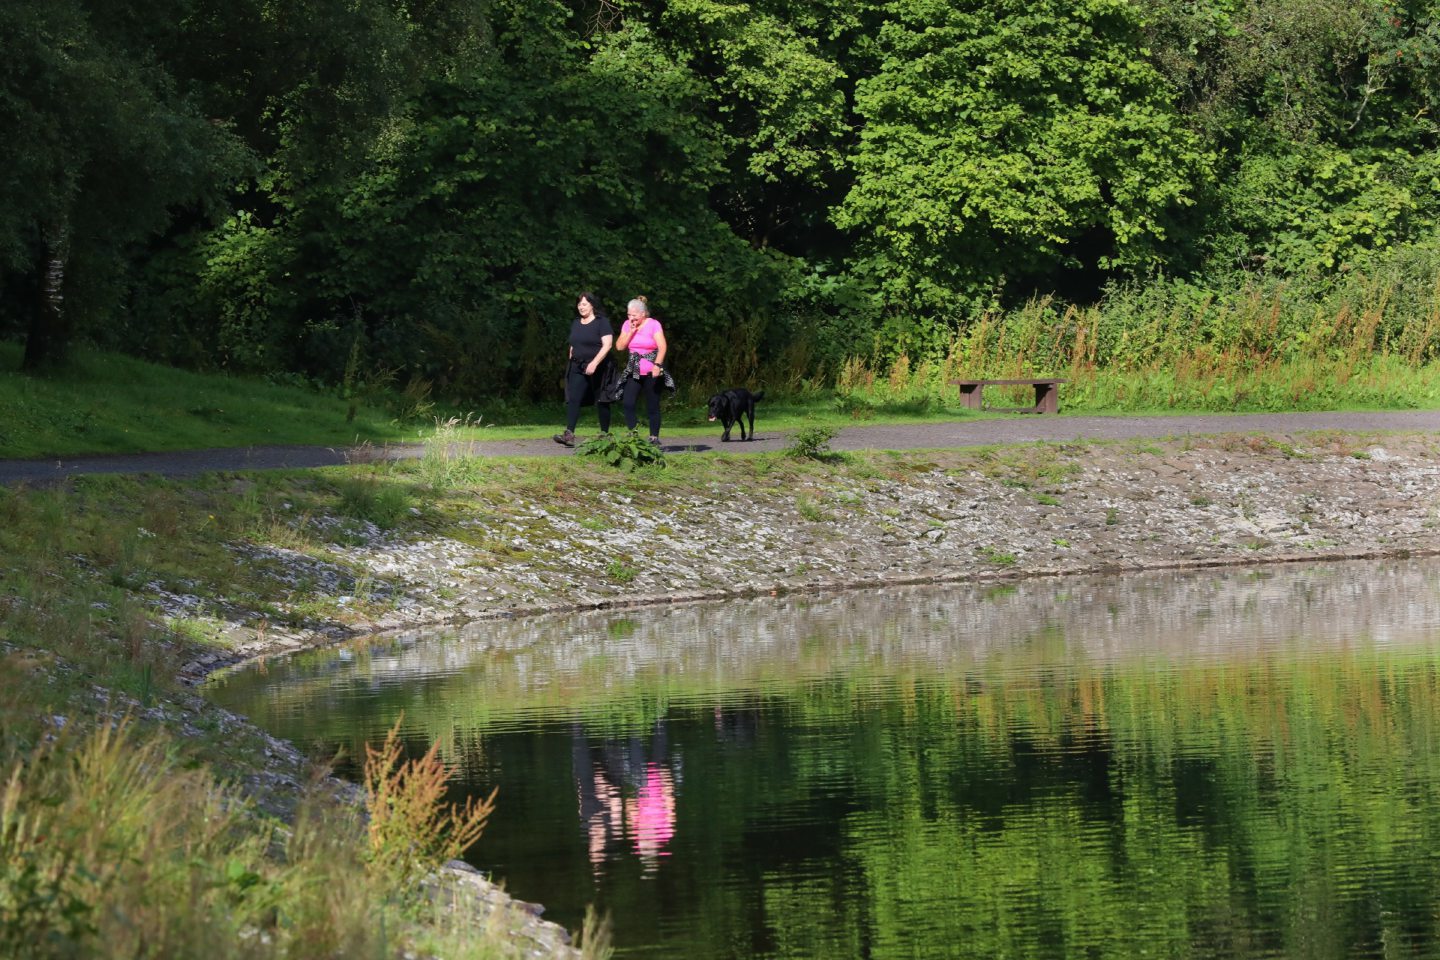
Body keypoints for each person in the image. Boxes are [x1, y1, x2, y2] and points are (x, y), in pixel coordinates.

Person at [554, 292, 615, 446]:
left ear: (592, 305)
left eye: (584, 304)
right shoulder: (576, 322)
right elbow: (574, 340)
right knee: (574, 398)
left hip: (599, 366)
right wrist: (572, 351)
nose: (581, 307)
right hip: (577, 365)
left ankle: (604, 435)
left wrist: (594, 363)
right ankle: (569, 434)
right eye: (579, 304)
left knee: (602, 400)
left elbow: (607, 345)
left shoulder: (602, 322)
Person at [614, 296, 670, 444]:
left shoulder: (653, 324)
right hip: (635, 369)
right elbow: (619, 347)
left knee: (652, 404)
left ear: (643, 314)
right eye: (629, 315)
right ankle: (634, 435)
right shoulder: (627, 325)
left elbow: (662, 346)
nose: (631, 318)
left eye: (634, 315)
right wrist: (630, 332)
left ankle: (654, 437)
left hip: (652, 369)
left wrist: (657, 365)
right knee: (628, 402)